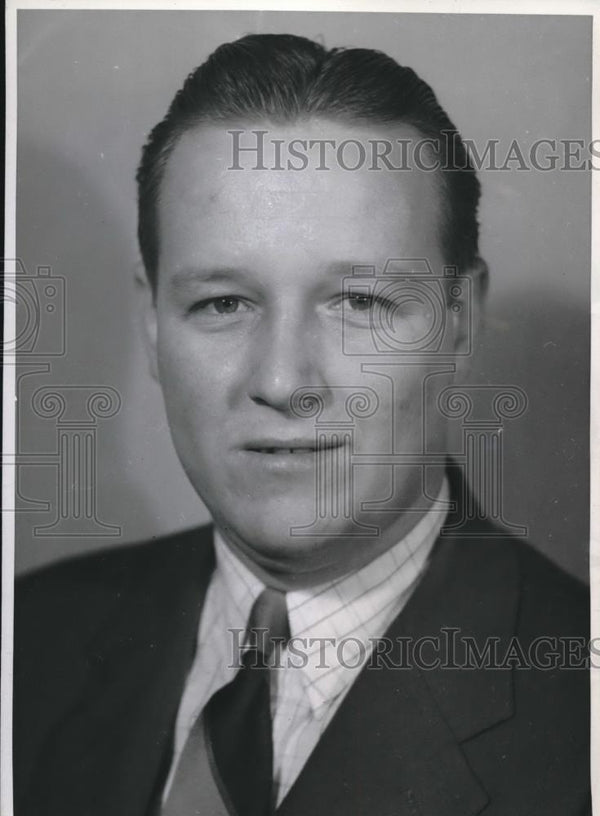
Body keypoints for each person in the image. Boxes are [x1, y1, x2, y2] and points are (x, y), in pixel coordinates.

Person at [13, 33, 590, 816]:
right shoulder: (28, 641)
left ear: (460, 320)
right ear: (151, 323)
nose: (283, 382)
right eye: (223, 303)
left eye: (359, 303)